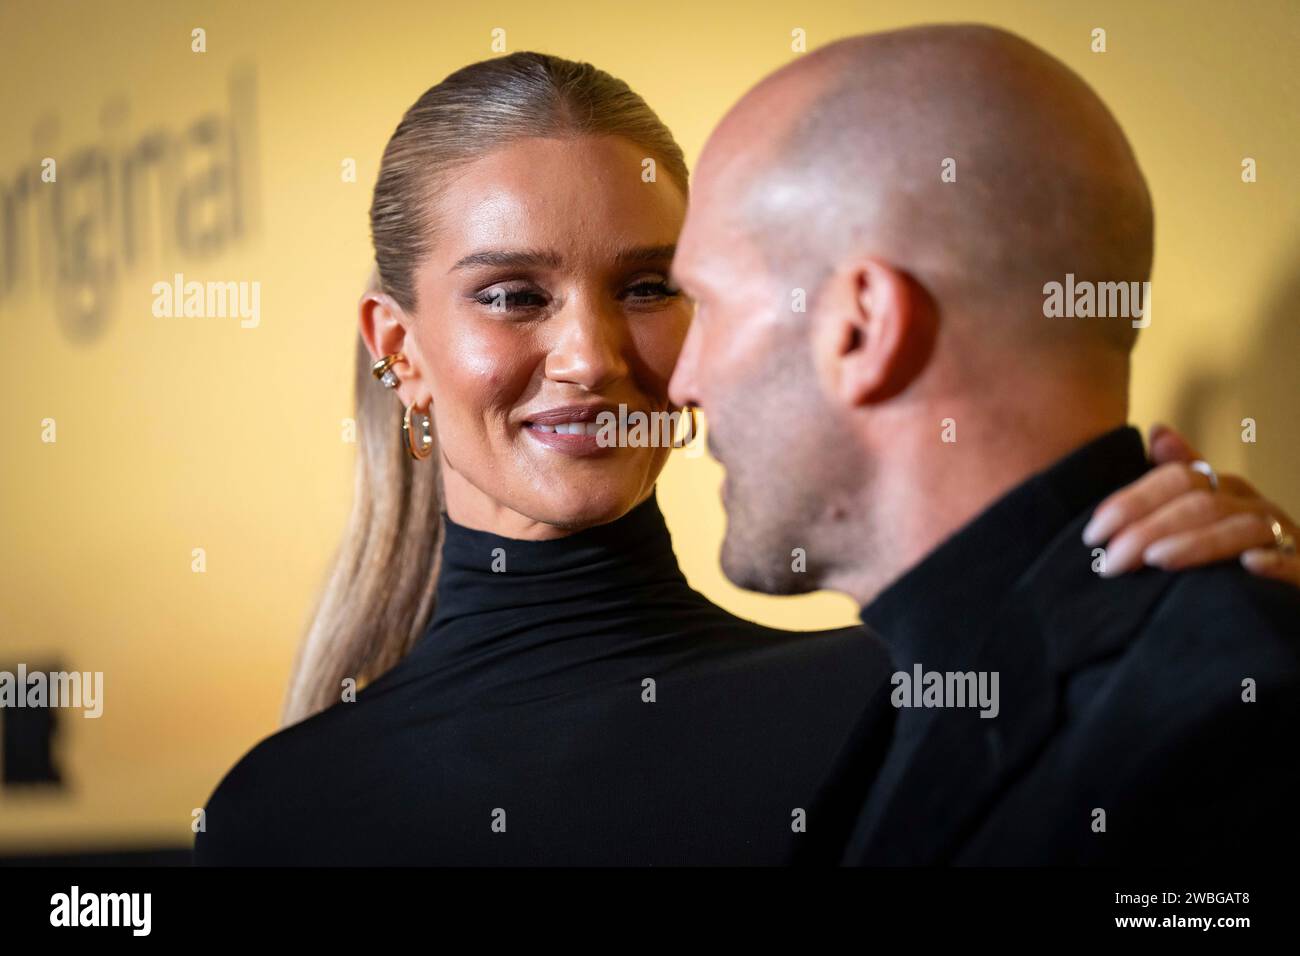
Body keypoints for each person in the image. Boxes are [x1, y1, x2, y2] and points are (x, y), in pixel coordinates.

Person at [195, 51, 1293, 866]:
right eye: (512, 295)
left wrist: (1221, 615)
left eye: (651, 287)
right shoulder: (275, 813)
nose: (591, 356)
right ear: (399, 345)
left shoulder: (916, 701)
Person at [666, 24, 1300, 865]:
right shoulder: (901, 694)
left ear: (862, 328)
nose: (682, 382)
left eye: (705, 305)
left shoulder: (1229, 726)